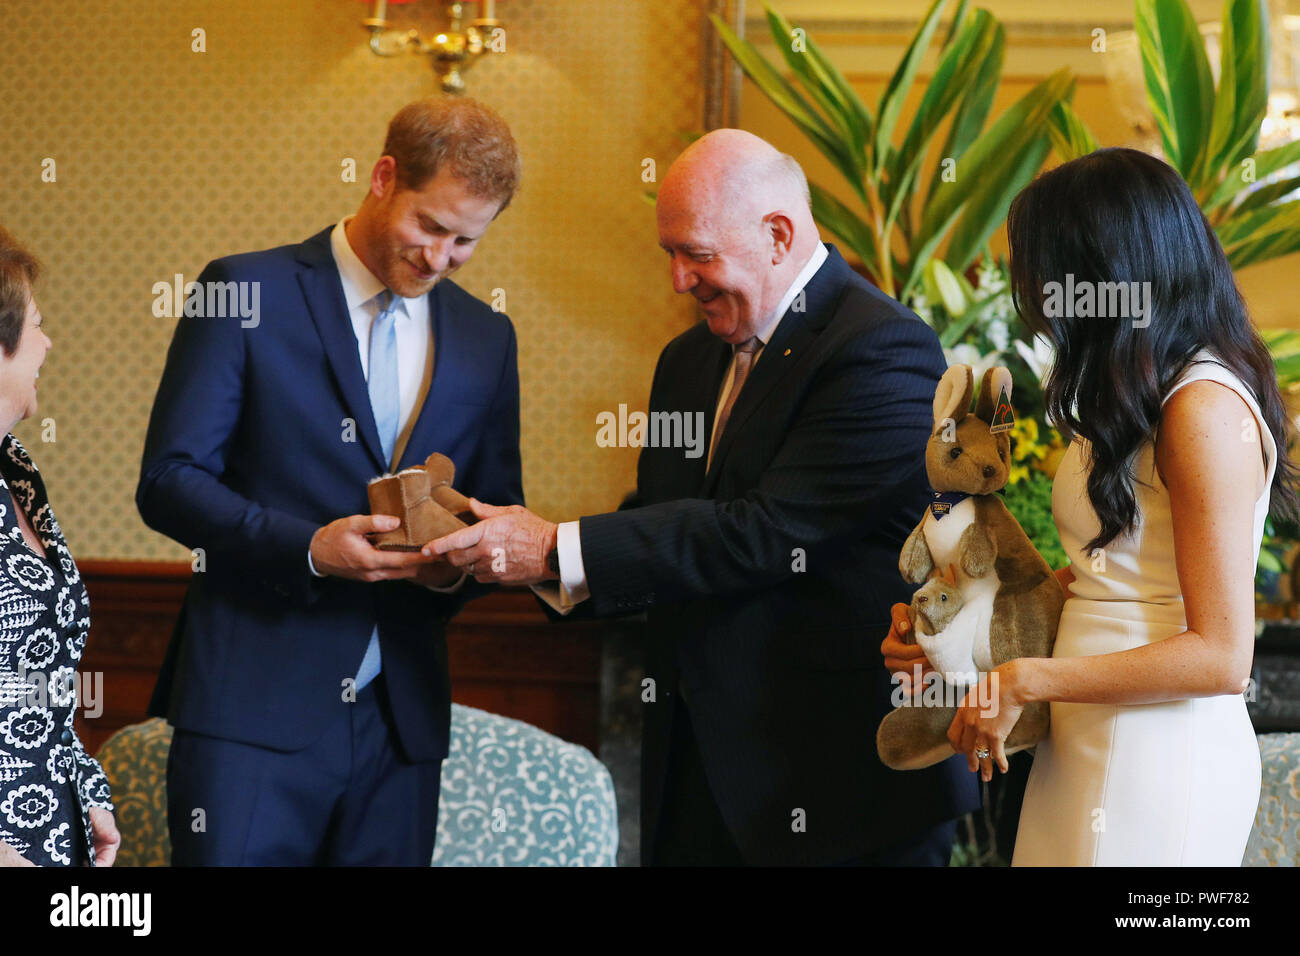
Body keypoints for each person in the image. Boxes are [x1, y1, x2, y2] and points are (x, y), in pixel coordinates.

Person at [428, 129, 979, 866]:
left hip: (840, 790)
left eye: (697, 254)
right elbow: (664, 521)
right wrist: (521, 555)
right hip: (694, 775)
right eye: (670, 255)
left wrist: (555, 546)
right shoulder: (688, 360)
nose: (679, 282)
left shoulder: (883, 349)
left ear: (778, 235)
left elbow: (764, 531)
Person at [137, 96, 523, 866]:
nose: (441, 257)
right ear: (383, 177)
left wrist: (463, 565)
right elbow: (169, 480)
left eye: (466, 241)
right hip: (250, 710)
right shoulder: (243, 289)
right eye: (430, 227)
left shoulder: (488, 336)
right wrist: (310, 549)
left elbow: (495, 504)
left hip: (403, 721)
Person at [885, 147, 1297, 865]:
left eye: (1048, 276)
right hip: (1086, 740)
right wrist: (957, 636)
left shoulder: (1201, 408)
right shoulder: (1140, 398)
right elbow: (1101, 579)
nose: (1040, 302)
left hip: (1160, 753)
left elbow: (1223, 656)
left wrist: (1027, 678)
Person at [0, 226, 118, 867]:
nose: (47, 343)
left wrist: (85, 790)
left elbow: (32, 686)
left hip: (55, 830)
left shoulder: (16, 468)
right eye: (37, 325)